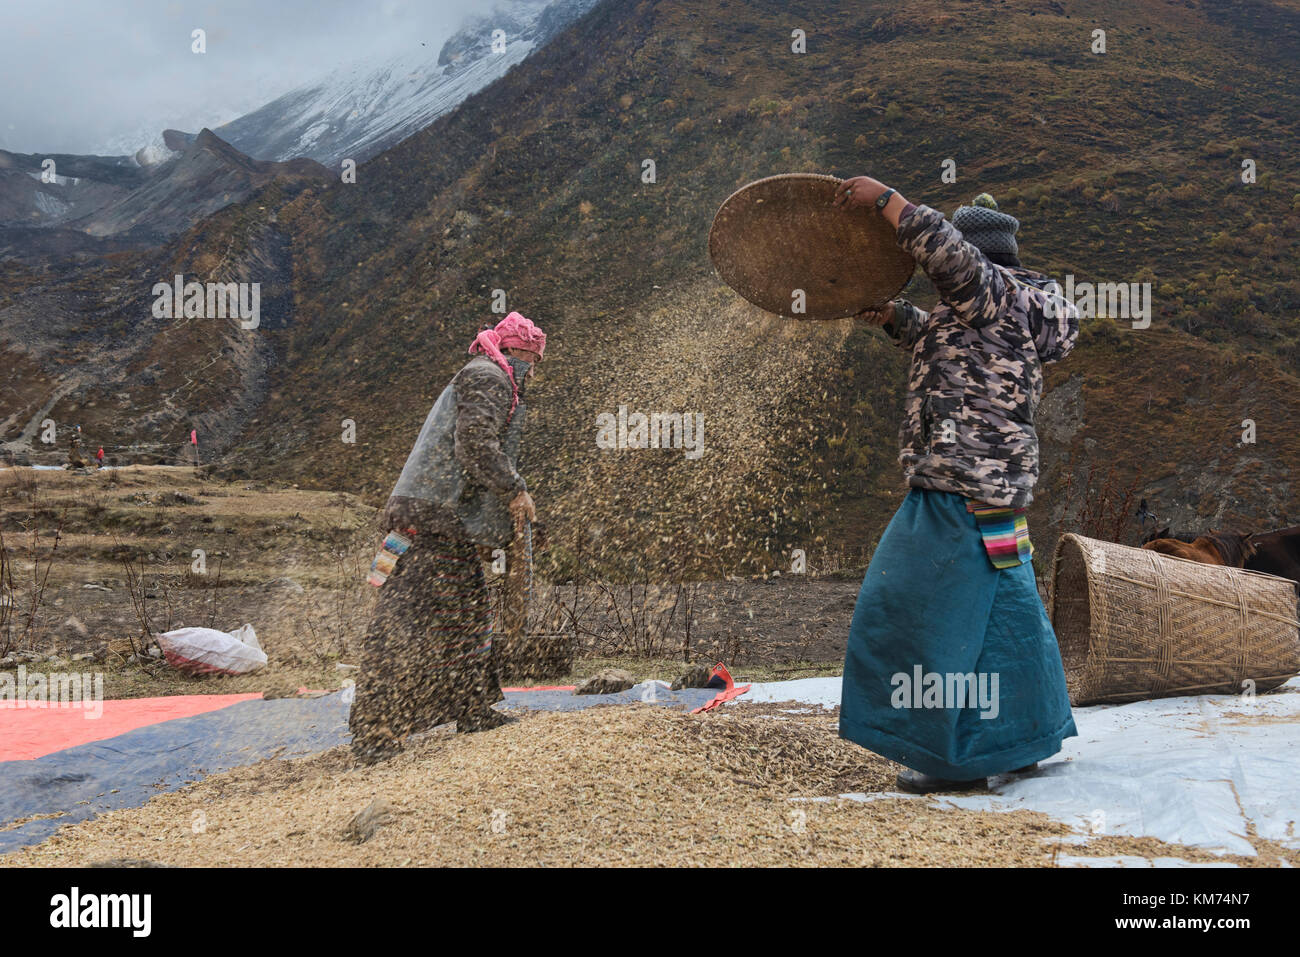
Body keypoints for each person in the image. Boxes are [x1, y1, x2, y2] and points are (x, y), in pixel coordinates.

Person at [832, 180, 1080, 793]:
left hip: (957, 482)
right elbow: (951, 342)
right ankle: (1022, 741)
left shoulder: (989, 292)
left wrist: (886, 199)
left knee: (913, 607)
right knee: (1006, 609)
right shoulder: (1008, 306)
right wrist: (897, 318)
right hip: (996, 486)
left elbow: (946, 252)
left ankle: (949, 758)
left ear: (981, 258)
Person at [348, 311, 546, 763]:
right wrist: (514, 490)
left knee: (469, 612)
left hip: (429, 518)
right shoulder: (491, 377)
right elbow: (474, 443)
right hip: (432, 518)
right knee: (403, 624)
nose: (533, 372)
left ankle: (472, 707)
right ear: (517, 352)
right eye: (533, 362)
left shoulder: (483, 374)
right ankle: (375, 731)